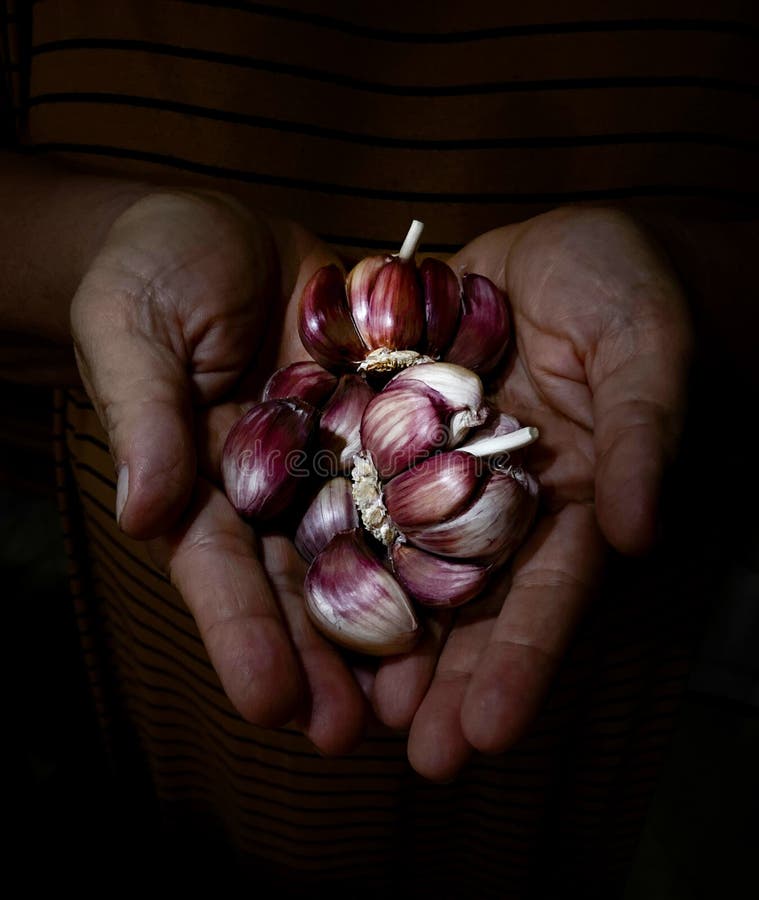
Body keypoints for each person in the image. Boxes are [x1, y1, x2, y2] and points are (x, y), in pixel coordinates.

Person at [2, 1, 756, 895]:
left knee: (523, 834)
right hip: (177, 541)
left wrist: (680, 278)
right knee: (206, 818)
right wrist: (95, 244)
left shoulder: (401, 424)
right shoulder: (342, 419)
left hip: (611, 575)